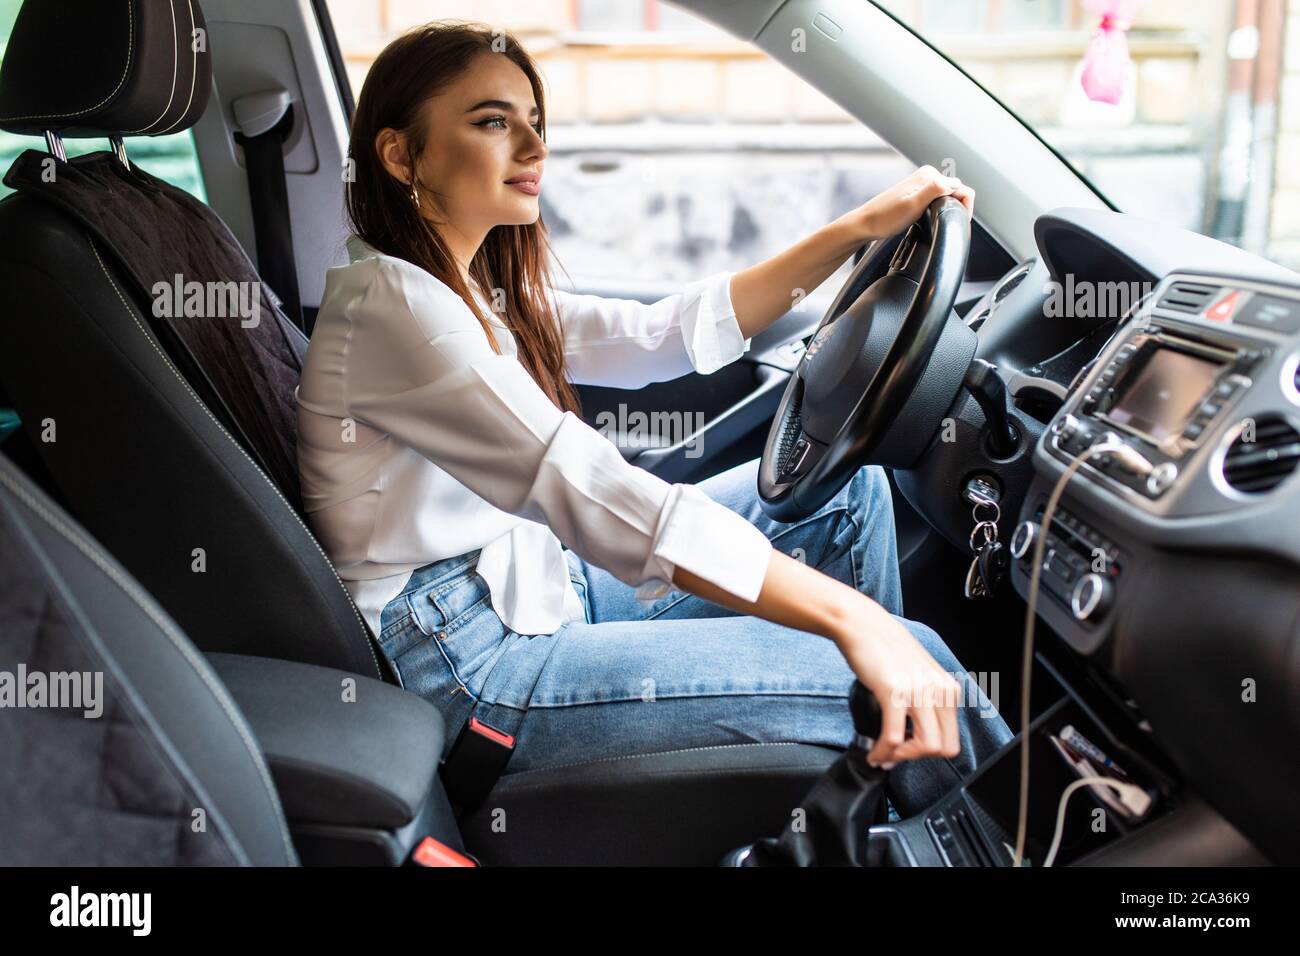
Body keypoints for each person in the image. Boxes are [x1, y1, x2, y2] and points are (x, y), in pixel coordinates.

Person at [296, 20, 1011, 818]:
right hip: (470, 664)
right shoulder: (401, 312)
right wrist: (859, 625)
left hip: (533, 587)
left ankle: (871, 791)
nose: (534, 147)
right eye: (494, 121)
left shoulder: (459, 288)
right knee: (921, 665)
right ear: (400, 155)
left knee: (853, 499)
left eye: (537, 121)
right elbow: (589, 488)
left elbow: (655, 336)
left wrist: (855, 232)